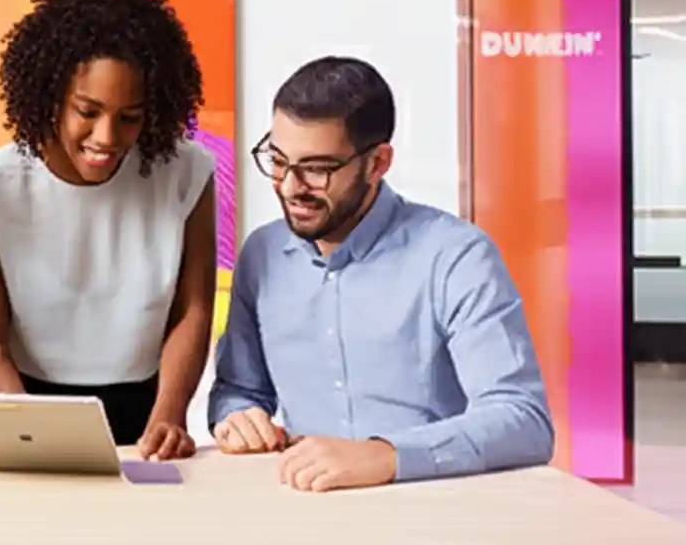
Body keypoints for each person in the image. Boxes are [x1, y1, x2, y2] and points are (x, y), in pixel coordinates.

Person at [208, 56, 554, 492]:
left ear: (377, 163)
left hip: (435, 511)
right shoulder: (262, 255)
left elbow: (523, 419)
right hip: (304, 510)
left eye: (316, 169)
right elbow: (238, 391)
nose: (290, 186)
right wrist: (236, 418)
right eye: (278, 161)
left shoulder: (456, 257)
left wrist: (386, 455)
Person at [0, 0, 217, 461]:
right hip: (28, 404)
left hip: (151, 413)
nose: (107, 137)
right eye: (87, 111)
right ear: (49, 95)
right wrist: (25, 430)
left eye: (130, 117)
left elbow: (192, 310)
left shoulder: (188, 172)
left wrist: (170, 413)